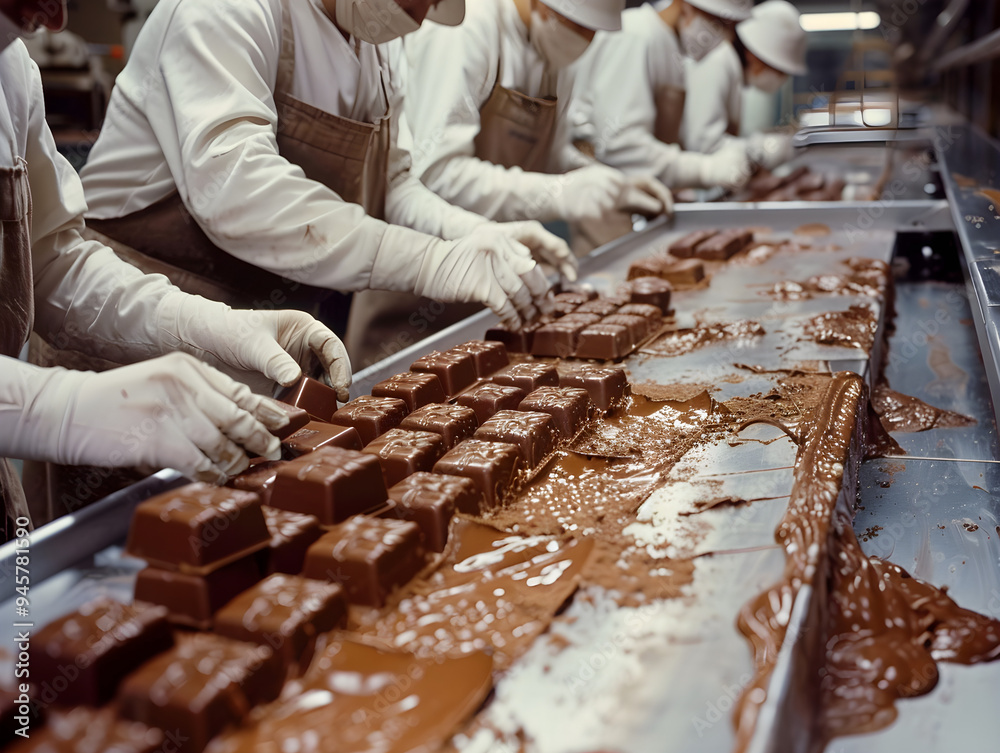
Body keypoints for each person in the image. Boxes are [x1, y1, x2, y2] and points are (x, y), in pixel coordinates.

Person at [0, 0, 352, 538]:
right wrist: (58, 409)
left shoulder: (12, 70)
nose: (57, 23)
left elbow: (51, 263)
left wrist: (207, 327)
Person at [79, 0, 573, 367]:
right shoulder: (231, 9)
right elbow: (237, 193)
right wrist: (429, 262)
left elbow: (391, 182)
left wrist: (470, 233)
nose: (428, 14)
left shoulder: (376, 39)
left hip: (274, 332)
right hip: (144, 328)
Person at [405, 0, 675, 226]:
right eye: (580, 26)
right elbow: (438, 174)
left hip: (500, 246)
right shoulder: (468, 27)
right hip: (431, 256)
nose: (586, 39)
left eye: (594, 30)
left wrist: (610, 185)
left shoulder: (554, 47)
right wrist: (558, 194)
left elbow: (550, 156)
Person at [563, 0, 753, 194]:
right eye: (719, 22)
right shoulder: (635, 34)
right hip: (601, 195)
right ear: (686, 6)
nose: (725, 36)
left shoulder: (672, 48)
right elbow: (619, 144)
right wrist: (703, 169)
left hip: (633, 195)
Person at [681, 0, 807, 170]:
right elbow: (703, 145)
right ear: (755, 56)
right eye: (780, 71)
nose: (780, 79)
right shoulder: (719, 61)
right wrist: (765, 149)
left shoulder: (731, 69)